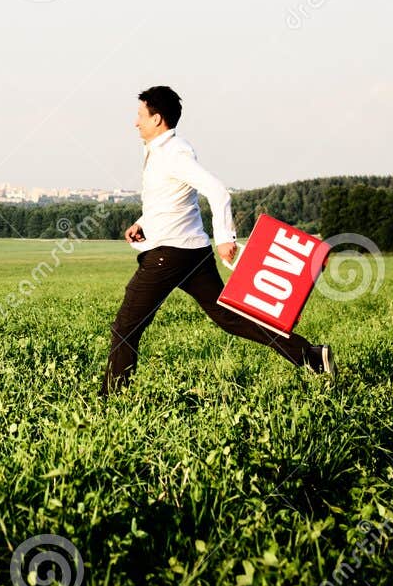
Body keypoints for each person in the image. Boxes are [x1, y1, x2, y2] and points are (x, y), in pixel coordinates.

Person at [102, 85, 334, 394]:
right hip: (190, 253)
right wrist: (143, 222)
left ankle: (111, 400)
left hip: (169, 255)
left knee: (126, 327)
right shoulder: (163, 151)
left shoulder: (173, 153)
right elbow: (173, 199)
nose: (135, 122)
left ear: (157, 119)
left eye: (140, 115)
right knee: (229, 316)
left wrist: (225, 237)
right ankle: (311, 356)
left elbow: (217, 190)